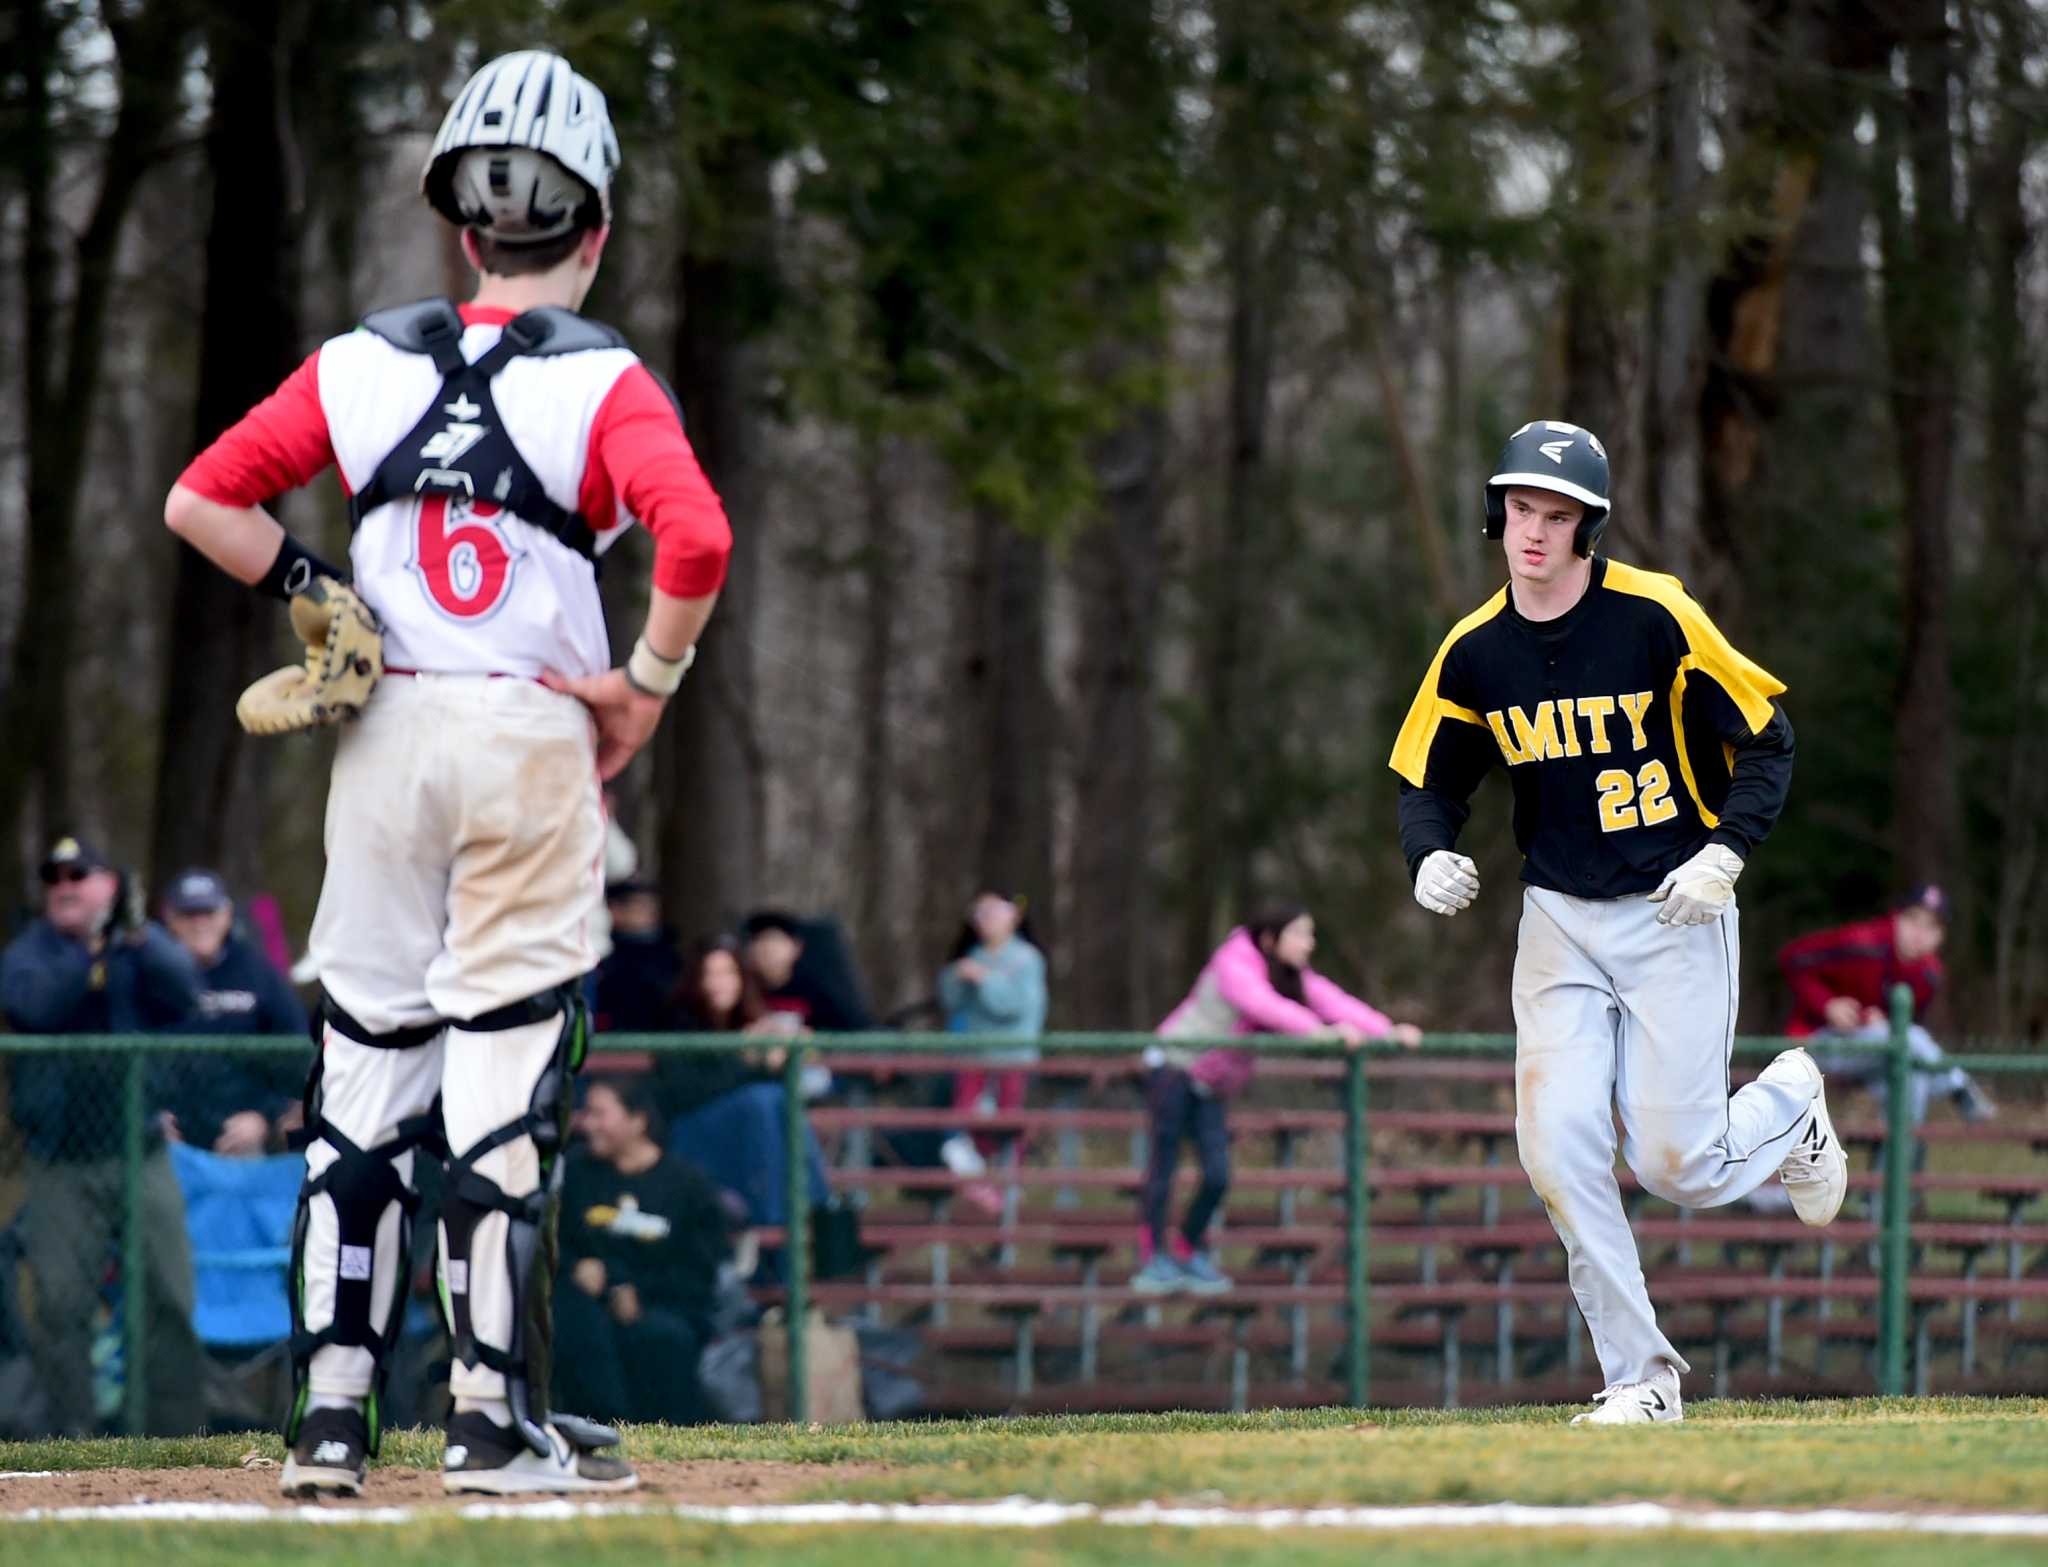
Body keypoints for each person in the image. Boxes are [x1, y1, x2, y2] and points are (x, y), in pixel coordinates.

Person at [161, 49, 731, 1496]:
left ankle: (330, 1426)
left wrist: (316, 585)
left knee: (361, 1079)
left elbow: (200, 496)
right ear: (592, 228)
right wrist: (645, 688)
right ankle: (490, 1422)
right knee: (499, 1087)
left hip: (384, 740)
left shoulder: (363, 360)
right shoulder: (602, 378)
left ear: (458, 227)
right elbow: (700, 540)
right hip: (528, 733)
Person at [1390, 419, 1842, 1426]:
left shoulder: (1652, 615)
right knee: (1555, 1153)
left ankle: (1789, 1103)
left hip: (1673, 907)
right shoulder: (1475, 651)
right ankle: (1643, 1379)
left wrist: (1723, 853)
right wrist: (1426, 853)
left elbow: (1765, 733)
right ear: (1493, 514)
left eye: (1556, 516)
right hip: (1557, 917)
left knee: (1677, 1169)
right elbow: (1427, 774)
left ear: (1586, 526)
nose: (1533, 533)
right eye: (1518, 509)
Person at [0, 835, 206, 1436]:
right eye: (55, 877)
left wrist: (136, 938)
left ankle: (179, 1438)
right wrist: (92, 951)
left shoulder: (137, 947)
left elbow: (185, 993)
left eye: (80, 873)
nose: (65, 885)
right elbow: (35, 1006)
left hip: (139, 1150)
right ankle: (74, 1438)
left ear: (110, 886)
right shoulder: (30, 953)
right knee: (61, 1305)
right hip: (60, 1159)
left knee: (169, 1295)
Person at [1134, 906, 1420, 1296]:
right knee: (1162, 1170)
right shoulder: (1235, 963)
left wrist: (1386, 1031)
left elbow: (1331, 1001)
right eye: (1301, 934)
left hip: (1212, 1086)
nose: (1309, 943)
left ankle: (1187, 1250)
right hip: (1174, 1069)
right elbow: (1263, 1005)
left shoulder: (1290, 974)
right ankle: (1154, 1260)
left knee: (1217, 1175)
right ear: (1271, 939)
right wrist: (1320, 1033)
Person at [553, 1077, 737, 1425]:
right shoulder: (575, 1173)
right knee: (571, 1319)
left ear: (637, 1122)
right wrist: (578, 1268)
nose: (586, 1123)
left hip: (664, 1305)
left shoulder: (687, 1187)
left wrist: (637, 1293)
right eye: (585, 1113)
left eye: (599, 1114)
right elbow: (550, 1241)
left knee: (662, 1337)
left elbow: (699, 1274)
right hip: (586, 1305)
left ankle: (661, 1433)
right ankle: (594, 1427)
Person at [654, 937, 828, 1240]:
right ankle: (789, 1213)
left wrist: (780, 1061)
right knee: (761, 1101)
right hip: (693, 1132)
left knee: (775, 1099)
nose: (720, 982)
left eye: (728, 973)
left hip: (751, 1140)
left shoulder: (749, 1020)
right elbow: (686, 1092)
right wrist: (748, 1060)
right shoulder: (678, 1021)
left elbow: (768, 1092)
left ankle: (815, 1205)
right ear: (697, 979)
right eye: (711, 973)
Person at [1779, 885, 1994, 1124]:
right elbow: (1792, 957)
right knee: (1907, 1038)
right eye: (1913, 920)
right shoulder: (1862, 942)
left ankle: (1896, 1159)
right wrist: (1827, 1004)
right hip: (1814, 1044)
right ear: (1896, 918)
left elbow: (1904, 1028)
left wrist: (1880, 1020)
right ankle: (1960, 1088)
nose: (1919, 933)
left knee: (1914, 1074)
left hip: (1873, 1053)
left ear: (1941, 937)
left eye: (1931, 926)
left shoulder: (1929, 974)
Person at [161, 867, 309, 1155]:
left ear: (227, 915)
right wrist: (150, 1116)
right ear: (170, 919)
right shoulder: (151, 974)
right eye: (189, 915)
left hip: (241, 1133)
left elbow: (296, 1053)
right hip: (169, 1136)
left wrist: (265, 1116)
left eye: (209, 913)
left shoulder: (258, 973)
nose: (199, 923)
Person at [936, 891, 1048, 1156]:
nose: (986, 920)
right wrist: (957, 977)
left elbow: (1013, 1005)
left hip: (1013, 1060)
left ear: (1013, 915)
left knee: (1008, 1130)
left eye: (994, 912)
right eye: (980, 913)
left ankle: (1005, 1189)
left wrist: (984, 979)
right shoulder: (972, 956)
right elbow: (950, 1000)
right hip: (975, 1060)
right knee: (966, 1127)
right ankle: (980, 1188)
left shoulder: (1027, 959)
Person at [741, 910, 875, 1032]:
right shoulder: (744, 991)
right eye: (759, 942)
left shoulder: (821, 989)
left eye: (775, 941)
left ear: (796, 947)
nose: (767, 950)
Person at [591, 881, 680, 1034]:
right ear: (614, 911)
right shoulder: (601, 954)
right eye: (639, 907)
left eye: (651, 908)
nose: (648, 914)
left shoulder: (667, 955)